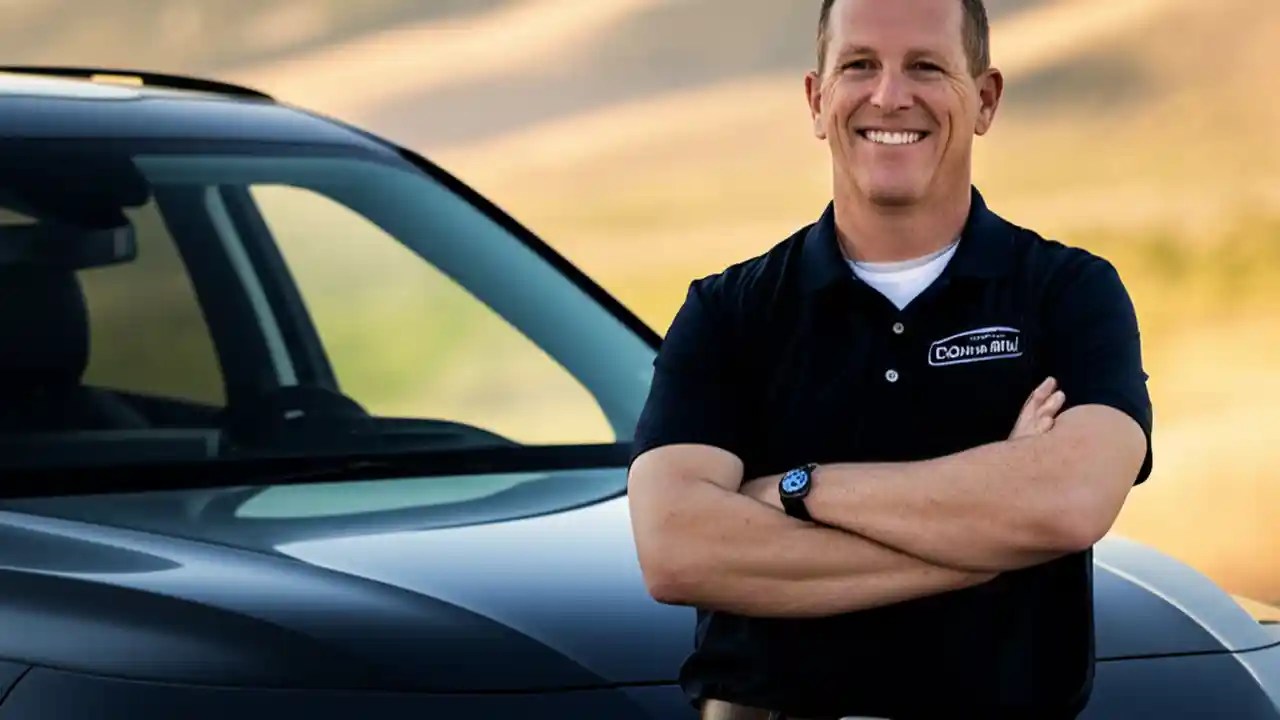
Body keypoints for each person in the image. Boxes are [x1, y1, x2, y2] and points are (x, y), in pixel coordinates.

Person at [625, 0, 1154, 718]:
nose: (889, 95)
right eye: (859, 65)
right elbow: (675, 549)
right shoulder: (727, 314)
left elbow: (1071, 501)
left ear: (985, 99)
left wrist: (795, 490)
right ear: (816, 100)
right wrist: (992, 532)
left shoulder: (1068, 294)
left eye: (926, 67)